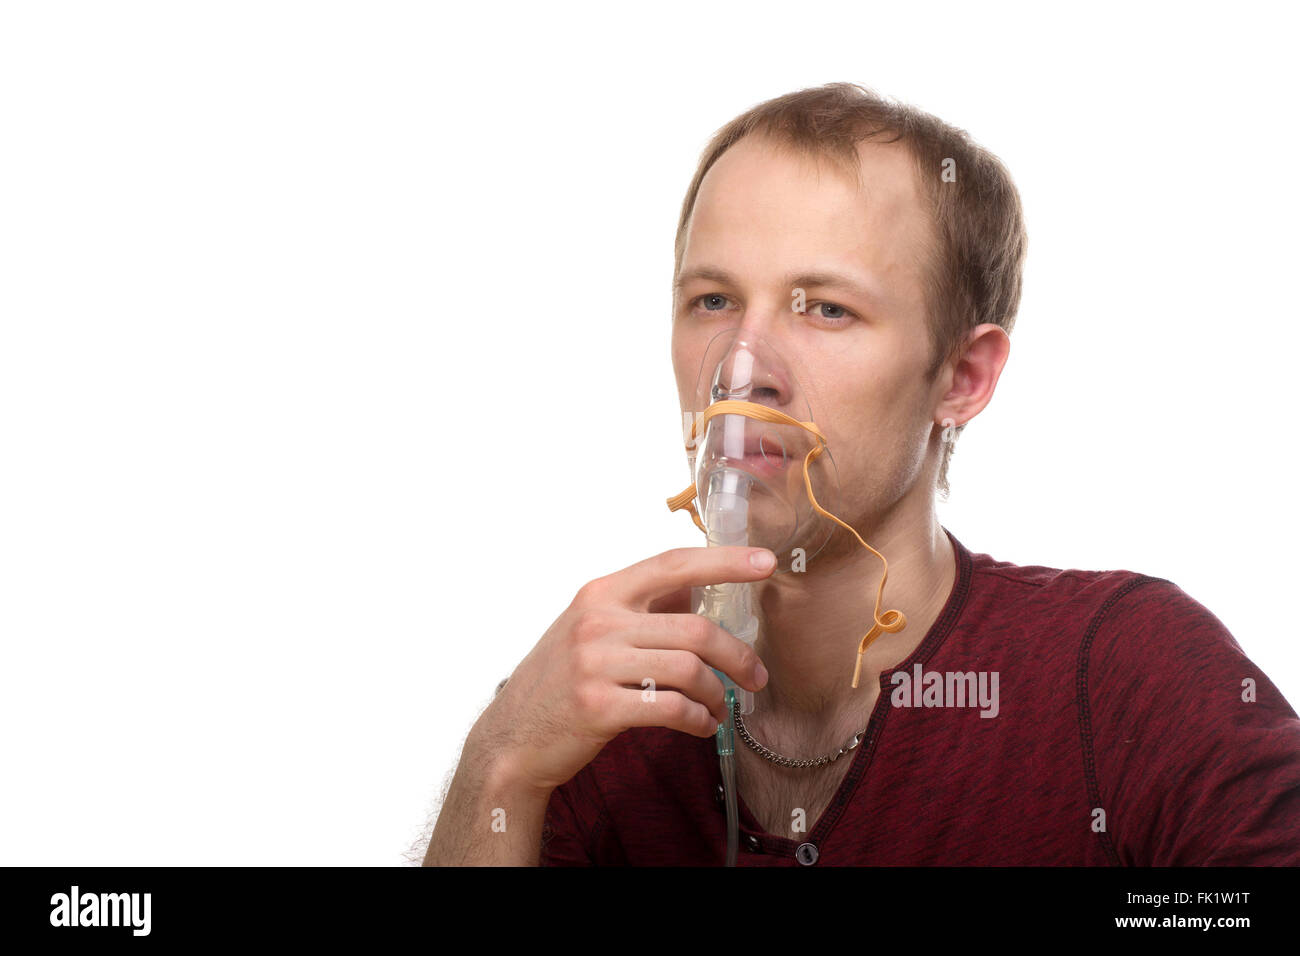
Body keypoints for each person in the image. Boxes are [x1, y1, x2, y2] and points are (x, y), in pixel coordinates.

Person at [422, 83, 1300, 866]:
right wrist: (500, 760)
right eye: (713, 301)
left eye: (826, 309)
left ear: (963, 378)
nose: (739, 370)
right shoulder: (602, 714)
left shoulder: (1118, 674)